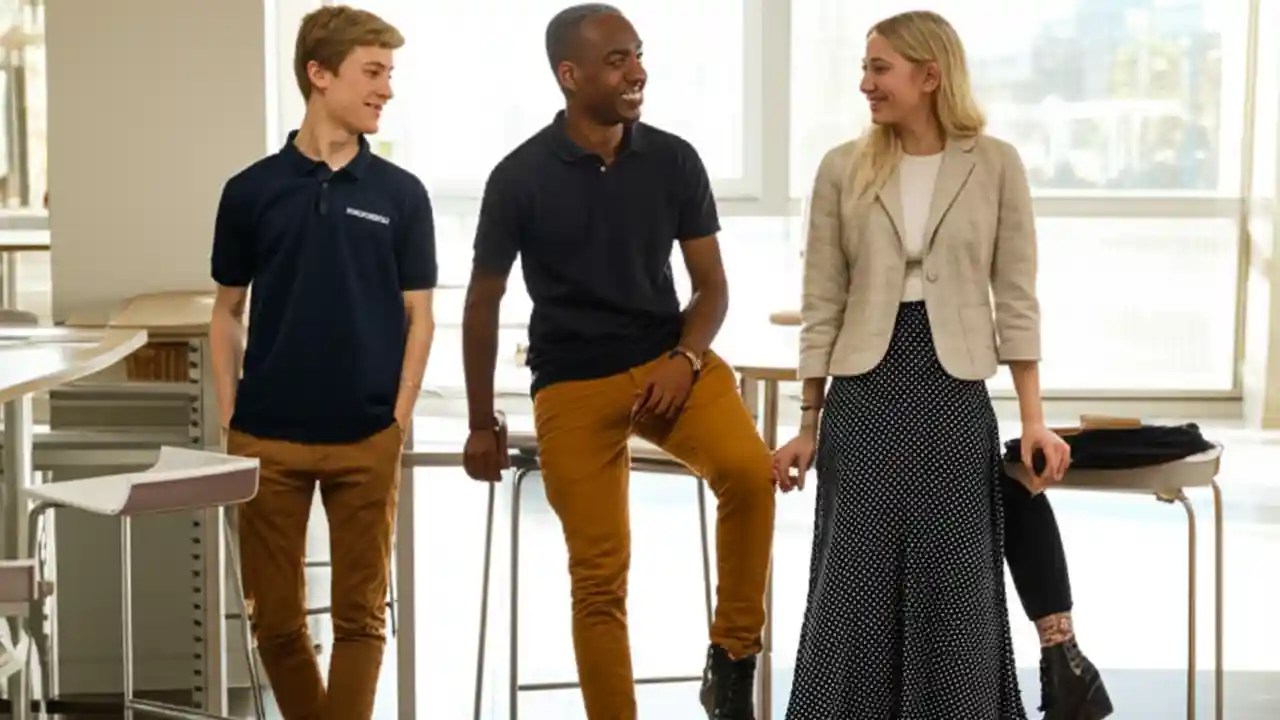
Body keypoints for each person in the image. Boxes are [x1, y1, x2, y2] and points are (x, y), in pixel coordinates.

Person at [772, 10, 1106, 719]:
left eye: (880, 68)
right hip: (863, 394)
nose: (865, 83)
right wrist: (808, 422)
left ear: (931, 75)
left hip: (954, 394)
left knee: (956, 583)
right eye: (864, 68)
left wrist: (1036, 423)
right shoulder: (842, 167)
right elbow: (821, 300)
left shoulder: (996, 165)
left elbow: (1016, 301)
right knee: (852, 582)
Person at [460, 4, 775, 718]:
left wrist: (686, 358)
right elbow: (482, 304)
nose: (637, 72)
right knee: (600, 579)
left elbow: (713, 287)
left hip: (669, 364)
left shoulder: (672, 159)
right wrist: (482, 422)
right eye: (616, 61)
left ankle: (732, 660)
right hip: (571, 382)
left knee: (750, 474)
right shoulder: (519, 177)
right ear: (569, 76)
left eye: (637, 55)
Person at [209, 6, 436, 719]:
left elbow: (419, 317)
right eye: (373, 73)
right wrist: (232, 418)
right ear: (319, 73)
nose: (386, 89)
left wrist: (396, 419)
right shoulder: (250, 191)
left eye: (389, 74)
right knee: (275, 623)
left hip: (366, 436)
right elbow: (226, 312)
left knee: (361, 620)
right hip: (267, 438)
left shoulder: (402, 195)